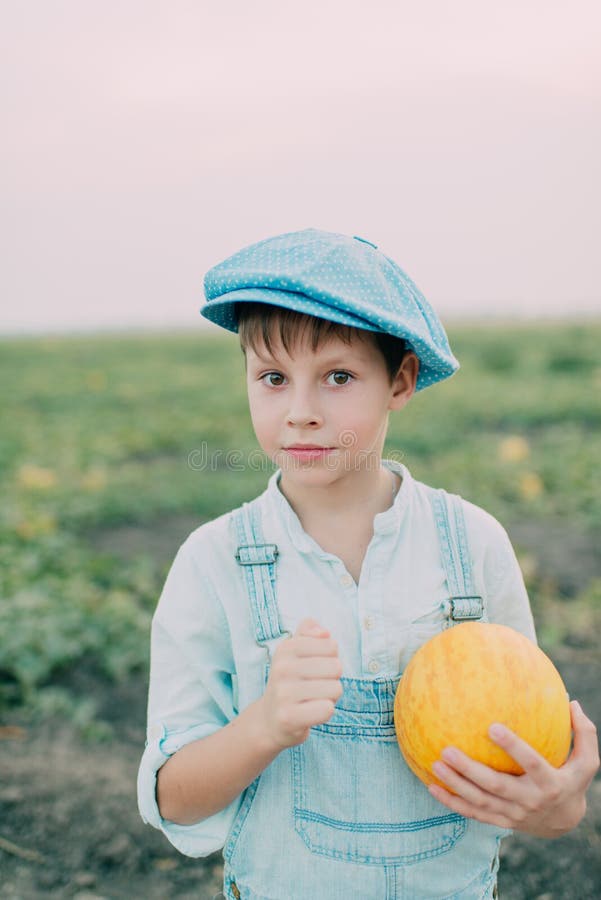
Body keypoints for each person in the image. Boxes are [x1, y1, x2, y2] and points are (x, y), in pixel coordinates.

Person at [137, 228, 599, 900]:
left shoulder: (472, 546)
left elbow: (535, 778)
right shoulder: (214, 563)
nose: (300, 414)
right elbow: (174, 799)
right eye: (273, 378)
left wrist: (557, 805)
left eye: (338, 377)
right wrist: (261, 727)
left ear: (400, 381)